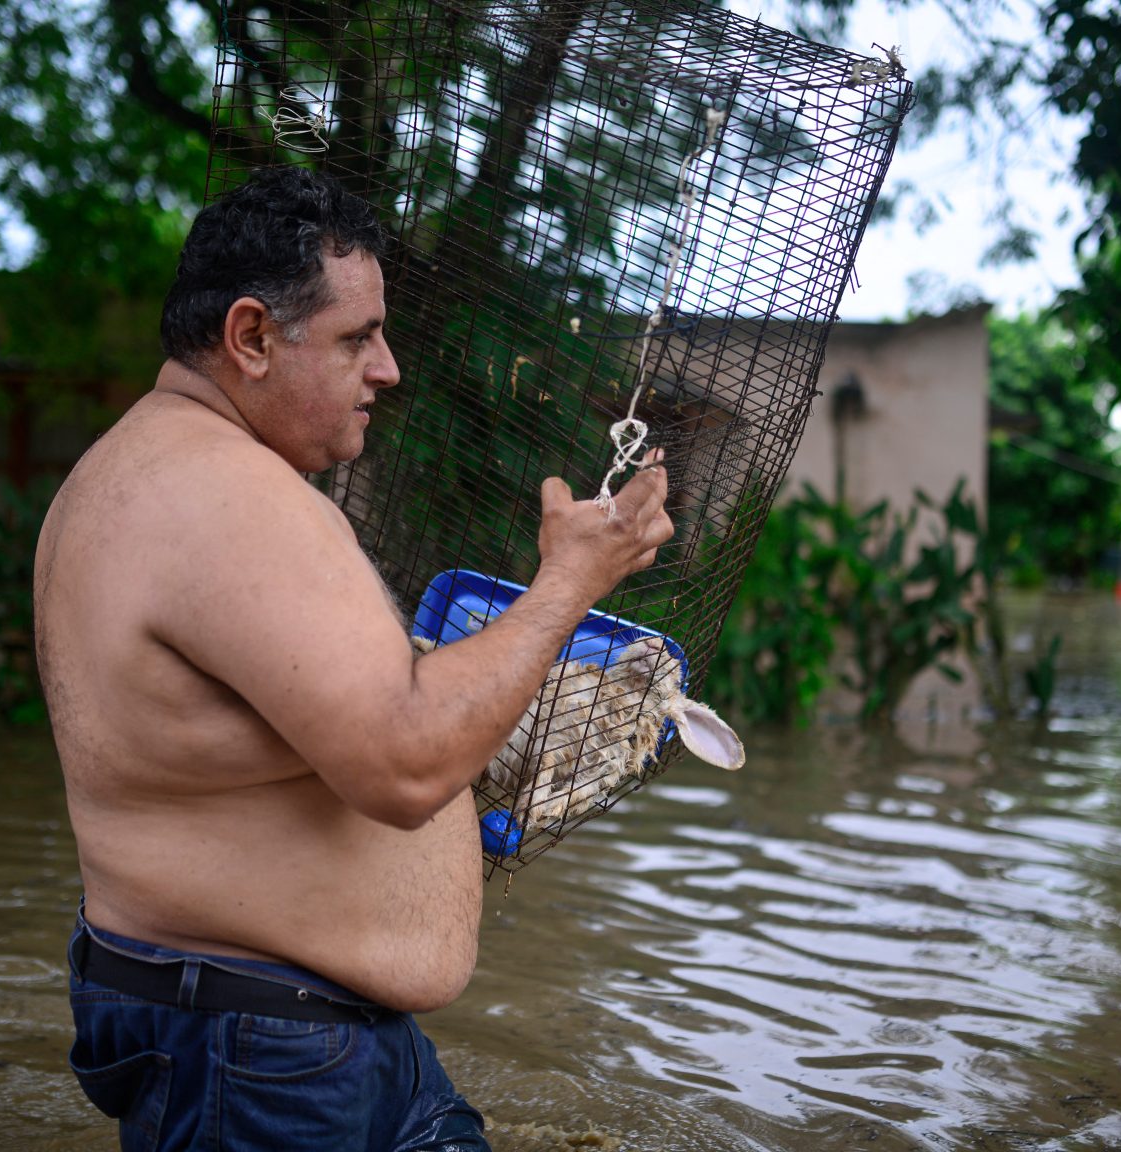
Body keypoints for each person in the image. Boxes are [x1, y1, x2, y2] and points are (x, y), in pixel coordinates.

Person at [33, 164, 672, 1151]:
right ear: (251, 337)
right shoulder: (218, 493)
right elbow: (404, 760)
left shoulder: (152, 474)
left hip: (286, 1031)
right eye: (355, 338)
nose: (389, 370)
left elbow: (338, 728)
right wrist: (565, 589)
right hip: (260, 1053)